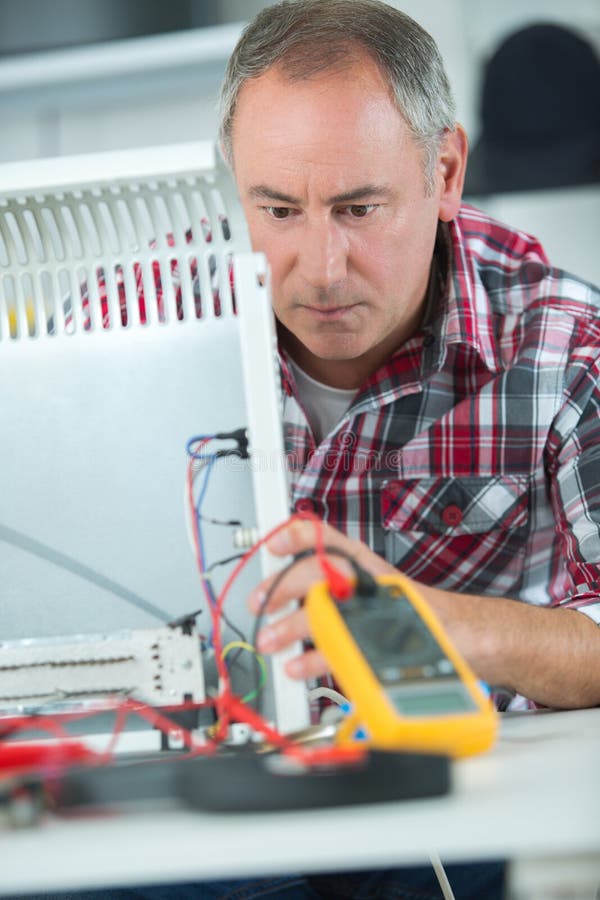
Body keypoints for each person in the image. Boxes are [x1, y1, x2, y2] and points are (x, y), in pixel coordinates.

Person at [31, 1, 599, 898]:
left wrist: (434, 621)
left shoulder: (563, 345)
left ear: (445, 169)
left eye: (358, 207)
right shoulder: (128, 318)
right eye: (279, 209)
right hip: (195, 798)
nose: (322, 266)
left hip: (434, 806)